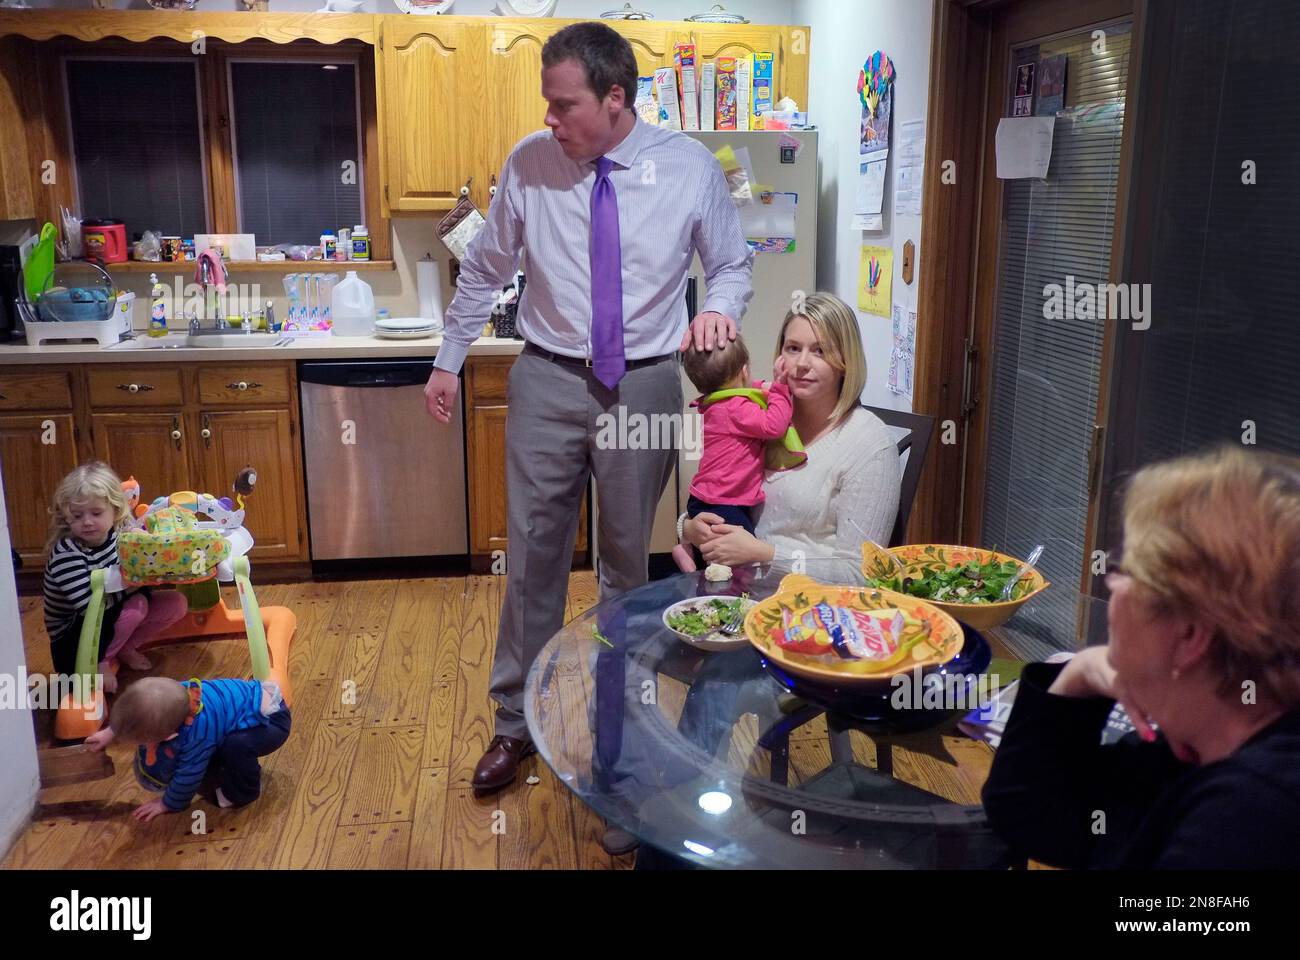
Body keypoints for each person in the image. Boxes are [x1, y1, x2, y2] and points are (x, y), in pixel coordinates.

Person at [421, 21, 753, 798]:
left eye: (563, 104)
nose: (550, 118)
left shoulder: (688, 168)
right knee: (532, 560)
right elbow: (486, 268)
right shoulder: (530, 166)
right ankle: (513, 727)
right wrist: (447, 358)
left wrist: (721, 313)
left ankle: (620, 748)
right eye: (547, 103)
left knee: (624, 576)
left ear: (614, 98)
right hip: (547, 379)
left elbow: (731, 264)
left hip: (643, 383)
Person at [982, 446, 1300, 868]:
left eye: (1126, 569)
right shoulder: (1198, 741)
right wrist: (1079, 674)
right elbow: (1032, 820)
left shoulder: (1252, 815)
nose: (1111, 584)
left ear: (1189, 634)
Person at [681, 292, 901, 566]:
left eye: (820, 351)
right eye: (793, 348)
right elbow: (718, 486)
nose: (801, 364)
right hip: (737, 590)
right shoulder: (758, 414)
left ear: (847, 361)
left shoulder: (870, 444)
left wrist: (765, 555)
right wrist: (688, 529)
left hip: (809, 602)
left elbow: (861, 572)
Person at [42, 463, 186, 693]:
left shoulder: (118, 532)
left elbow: (143, 554)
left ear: (115, 510)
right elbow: (88, 606)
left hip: (110, 614)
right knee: (137, 604)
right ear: (66, 517)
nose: (87, 521)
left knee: (176, 604)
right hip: (75, 642)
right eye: (77, 516)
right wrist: (132, 585)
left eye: (96, 513)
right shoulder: (67, 553)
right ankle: (101, 662)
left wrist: (152, 551)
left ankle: (125, 647)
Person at [673, 333, 798, 571]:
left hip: (704, 499)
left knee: (714, 549)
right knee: (739, 559)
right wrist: (780, 390)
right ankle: (695, 567)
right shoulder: (737, 408)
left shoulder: (715, 404)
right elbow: (774, 425)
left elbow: (754, 392)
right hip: (725, 503)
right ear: (743, 371)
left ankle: (688, 554)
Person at [85, 675, 292, 820]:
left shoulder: (197, 734)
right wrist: (109, 732)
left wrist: (167, 803)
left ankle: (244, 791)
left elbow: (189, 774)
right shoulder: (172, 695)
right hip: (241, 710)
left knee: (235, 746)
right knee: (221, 742)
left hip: (271, 722)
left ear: (169, 735)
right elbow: (134, 712)